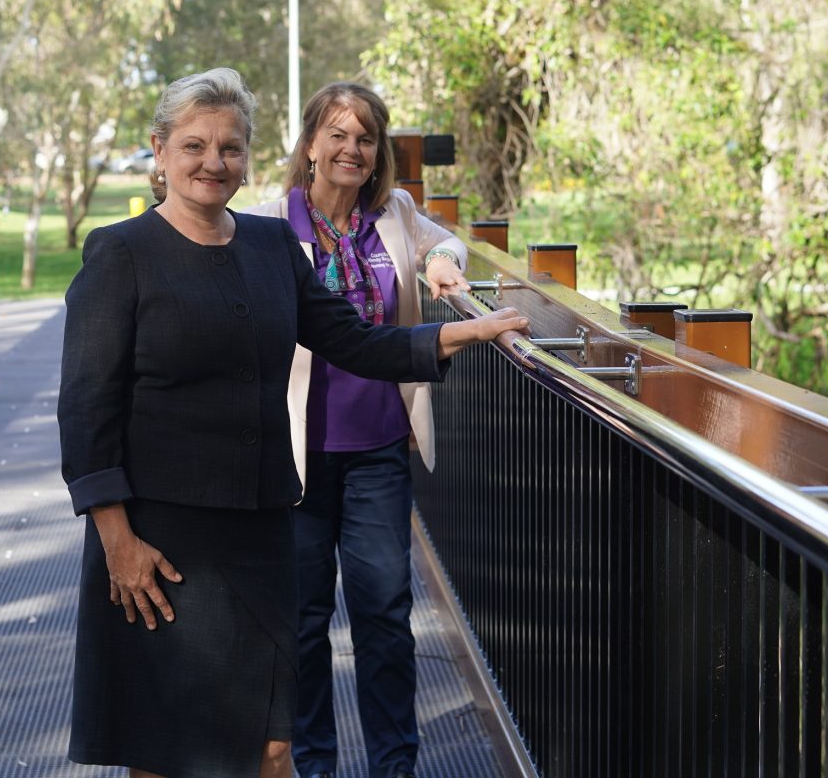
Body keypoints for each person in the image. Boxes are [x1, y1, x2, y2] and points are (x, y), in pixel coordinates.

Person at [57, 68, 525, 778]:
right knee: (164, 748)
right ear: (160, 151)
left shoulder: (270, 246)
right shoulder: (121, 253)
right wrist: (116, 541)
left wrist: (462, 332)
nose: (214, 162)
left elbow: (354, 341)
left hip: (261, 530)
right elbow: (87, 407)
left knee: (272, 744)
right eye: (194, 146)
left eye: (230, 147)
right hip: (160, 538)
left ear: (248, 156)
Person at [242, 82, 469, 778]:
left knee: (385, 617)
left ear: (378, 152)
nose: (351, 149)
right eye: (337, 134)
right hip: (297, 459)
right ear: (310, 143)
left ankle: (393, 766)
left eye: (365, 138)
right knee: (303, 622)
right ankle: (313, 765)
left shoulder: (394, 215)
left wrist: (442, 261)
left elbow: (447, 242)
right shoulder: (269, 224)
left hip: (378, 450)